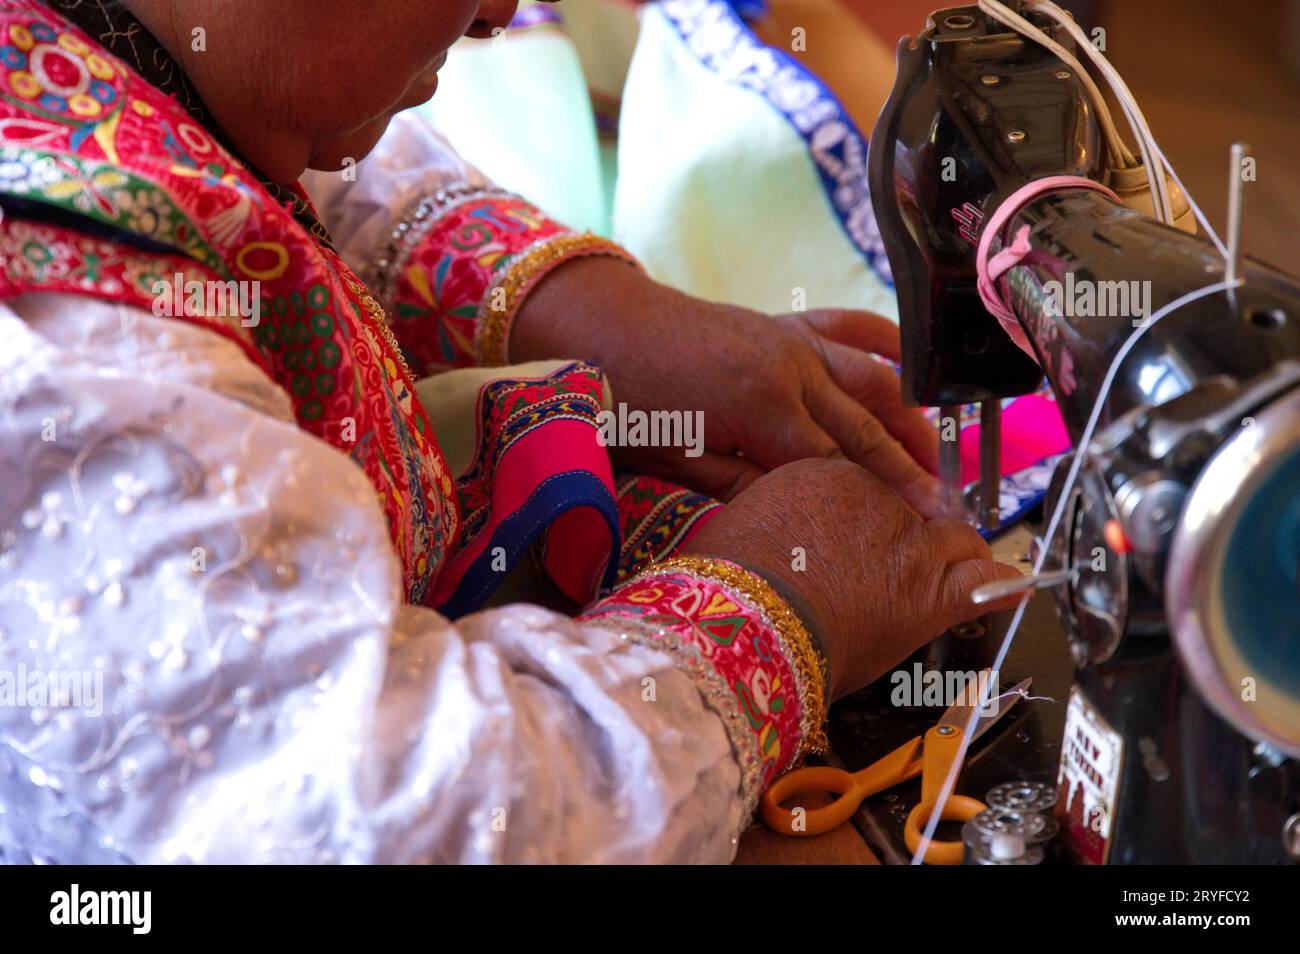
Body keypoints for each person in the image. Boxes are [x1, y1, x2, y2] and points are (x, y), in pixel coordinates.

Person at [0, 0, 1020, 863]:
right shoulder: (66, 349)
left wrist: (579, 303)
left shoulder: (92, 53)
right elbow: (388, 818)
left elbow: (282, 166)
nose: (500, 12)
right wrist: (773, 607)